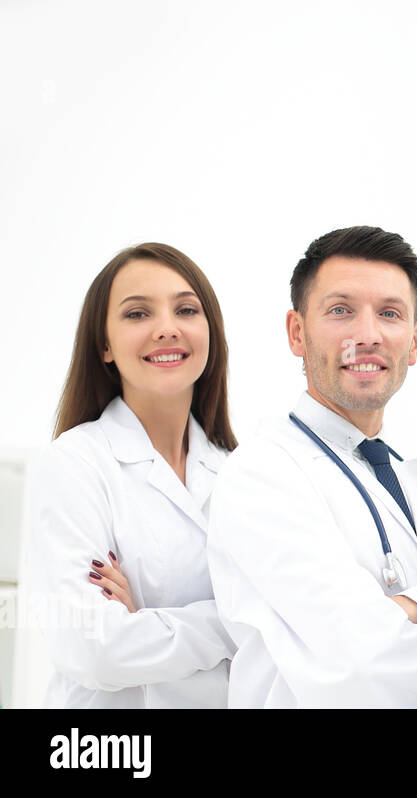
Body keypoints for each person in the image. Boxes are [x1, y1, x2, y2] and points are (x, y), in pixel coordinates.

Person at [205, 226, 417, 708]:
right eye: (341, 310)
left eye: (389, 314)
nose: (367, 336)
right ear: (297, 333)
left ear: (414, 342)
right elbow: (362, 662)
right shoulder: (262, 474)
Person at [27, 243, 238, 707]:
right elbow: (93, 650)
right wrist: (235, 621)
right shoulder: (75, 464)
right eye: (137, 314)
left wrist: (143, 621)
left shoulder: (239, 472)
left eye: (186, 309)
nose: (166, 328)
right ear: (104, 344)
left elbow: (289, 636)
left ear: (210, 332)